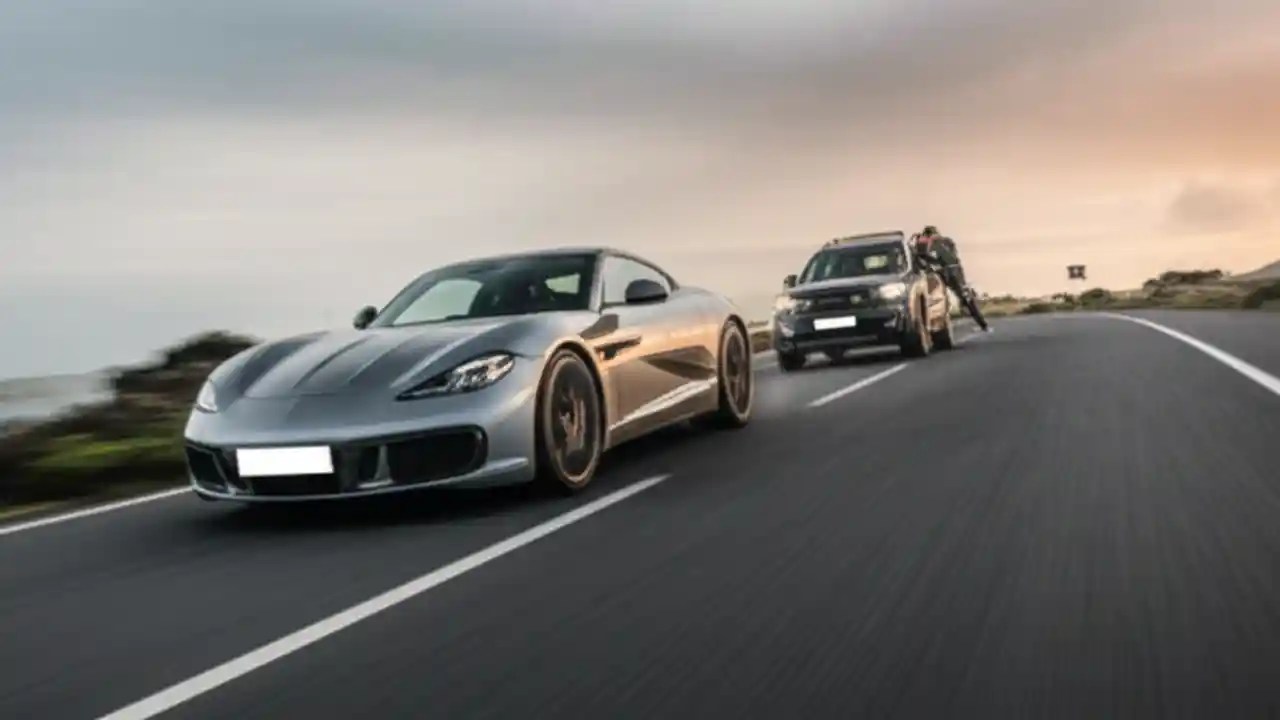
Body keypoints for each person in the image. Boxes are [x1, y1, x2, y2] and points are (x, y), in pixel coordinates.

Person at [912, 225, 991, 331]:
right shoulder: (947, 241)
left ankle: (934, 324)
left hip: (939, 272)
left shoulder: (924, 243)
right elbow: (953, 255)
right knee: (965, 297)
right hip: (954, 270)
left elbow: (922, 260)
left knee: (936, 298)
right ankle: (982, 324)